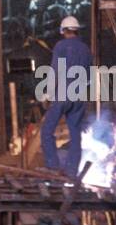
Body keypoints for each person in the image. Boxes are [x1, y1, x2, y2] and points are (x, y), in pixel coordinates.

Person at [39, 14, 91, 179]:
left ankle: (53, 166)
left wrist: (47, 93)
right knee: (75, 132)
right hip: (79, 95)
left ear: (63, 30)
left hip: (62, 94)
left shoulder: (61, 46)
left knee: (47, 130)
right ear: (77, 31)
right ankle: (72, 171)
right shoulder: (86, 49)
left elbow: (55, 70)